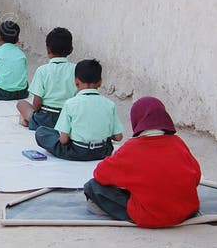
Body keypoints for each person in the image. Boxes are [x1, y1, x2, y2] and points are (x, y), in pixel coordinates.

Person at [83, 96, 201, 226]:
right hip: (186, 211)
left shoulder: (131, 148)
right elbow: (196, 176)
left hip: (150, 216)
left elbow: (100, 174)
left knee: (92, 186)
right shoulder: (178, 143)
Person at [35, 59, 123, 161]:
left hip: (77, 151)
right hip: (103, 151)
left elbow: (63, 140)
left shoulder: (70, 103)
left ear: (76, 82)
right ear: (100, 82)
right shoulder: (110, 104)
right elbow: (118, 137)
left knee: (41, 132)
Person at [17, 27, 75, 128]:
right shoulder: (76, 70)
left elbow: (37, 104)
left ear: (48, 49)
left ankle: (28, 120)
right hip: (67, 118)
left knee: (21, 104)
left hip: (46, 118)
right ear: (71, 50)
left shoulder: (42, 70)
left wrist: (35, 113)